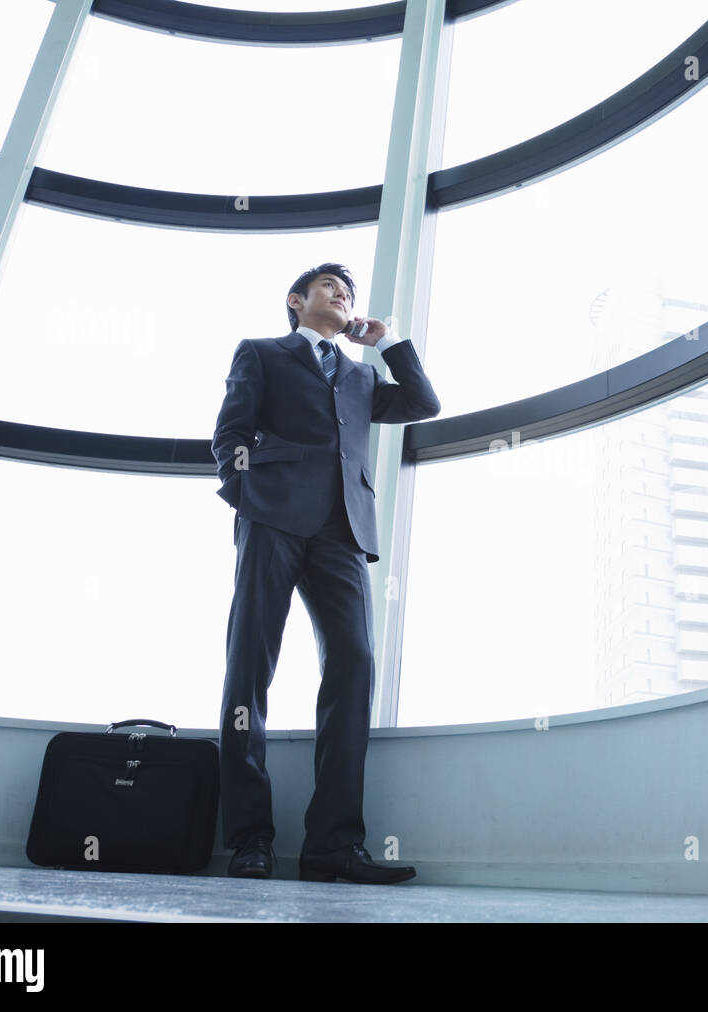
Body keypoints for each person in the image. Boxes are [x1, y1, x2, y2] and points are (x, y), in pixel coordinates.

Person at [211, 263, 440, 884]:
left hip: (344, 529)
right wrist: (251, 496)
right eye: (330, 288)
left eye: (350, 293)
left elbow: (424, 402)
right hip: (273, 520)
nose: (343, 295)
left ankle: (333, 847)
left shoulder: (363, 376)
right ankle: (250, 840)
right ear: (297, 300)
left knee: (354, 664)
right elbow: (228, 438)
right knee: (249, 668)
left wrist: (386, 342)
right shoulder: (262, 353)